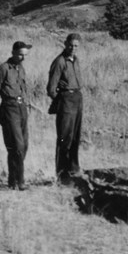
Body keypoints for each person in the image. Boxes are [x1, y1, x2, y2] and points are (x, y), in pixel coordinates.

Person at [0, 41, 33, 190]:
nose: (23, 58)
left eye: (25, 55)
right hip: (9, 108)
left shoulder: (21, 69)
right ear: (13, 52)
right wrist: (0, 111)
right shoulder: (2, 69)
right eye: (20, 54)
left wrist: (26, 104)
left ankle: (12, 179)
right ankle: (19, 182)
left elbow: (24, 89)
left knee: (24, 145)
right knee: (17, 146)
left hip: (22, 108)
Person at [47, 33, 84, 183]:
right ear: (65, 43)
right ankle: (62, 175)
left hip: (77, 98)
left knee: (75, 136)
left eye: (76, 46)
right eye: (70, 45)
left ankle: (74, 169)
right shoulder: (59, 62)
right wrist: (61, 101)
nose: (73, 48)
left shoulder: (76, 60)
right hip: (66, 99)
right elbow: (51, 88)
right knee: (65, 138)